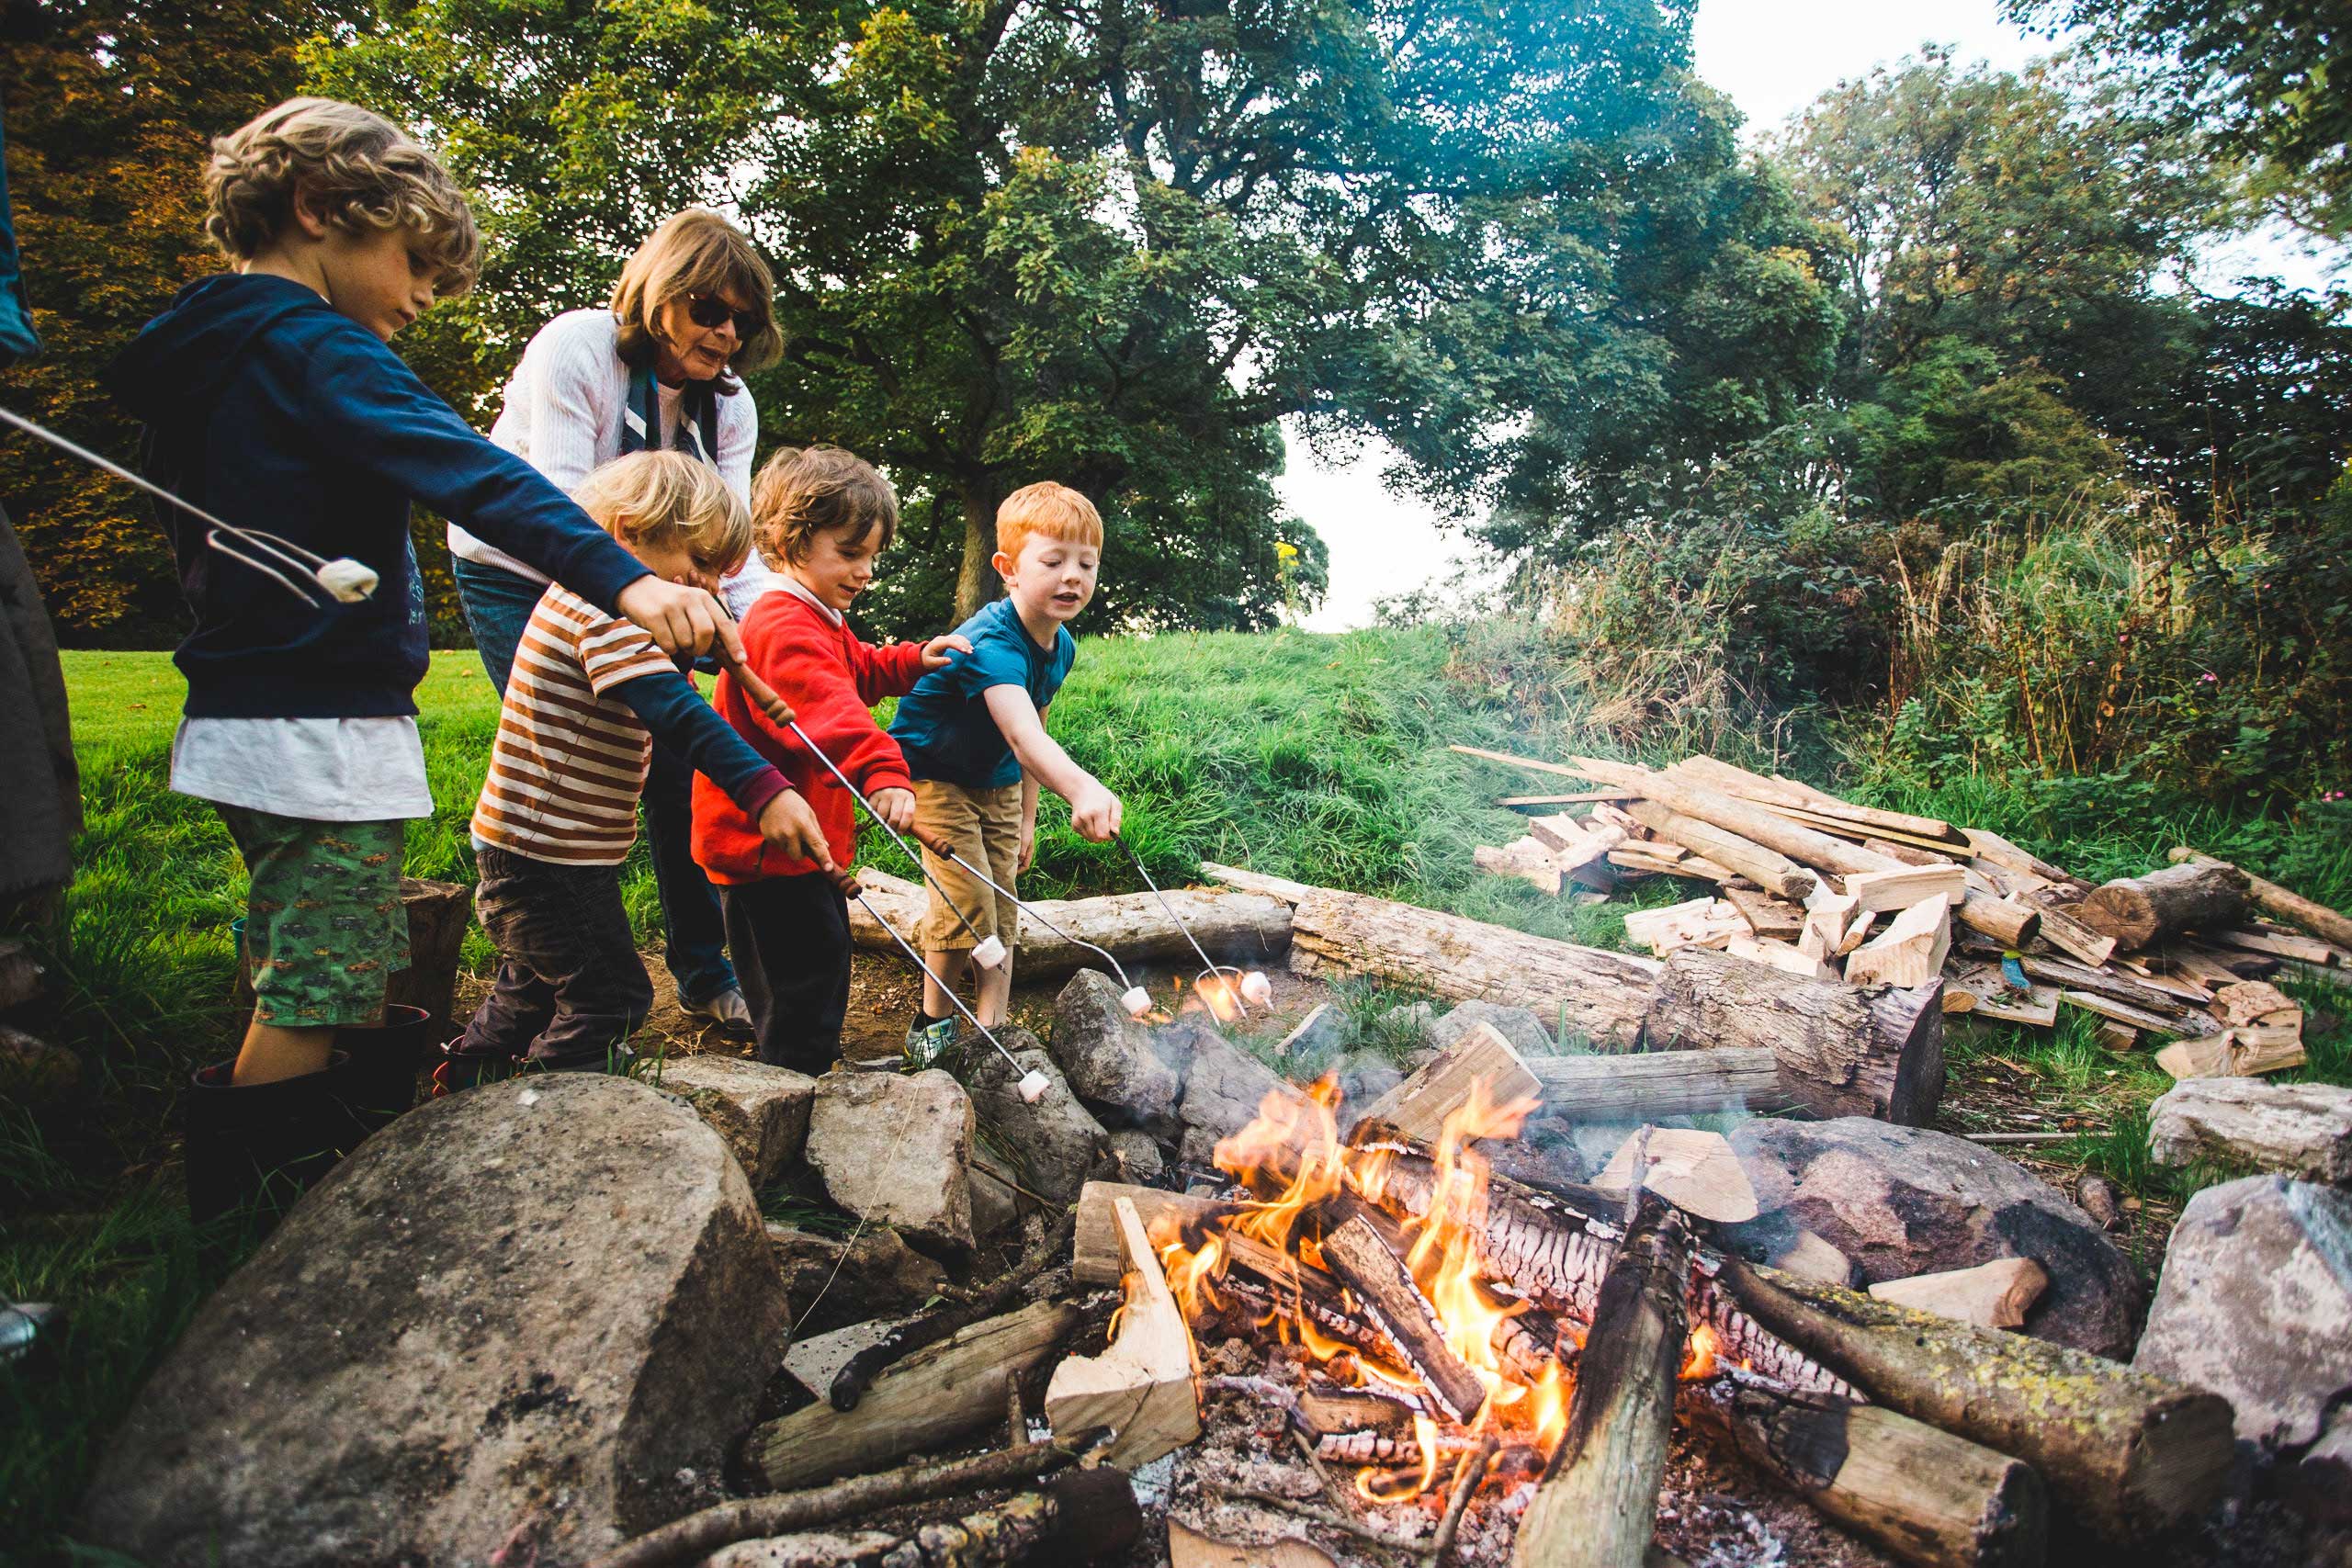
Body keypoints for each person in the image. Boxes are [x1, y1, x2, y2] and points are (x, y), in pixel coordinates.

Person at [104, 96, 737, 1224]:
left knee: (309, 952)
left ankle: (320, 1173)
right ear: (317, 209)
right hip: (317, 725)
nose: (422, 298)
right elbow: (474, 471)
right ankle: (269, 1228)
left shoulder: (213, 352)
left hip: (247, 707)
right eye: (413, 264)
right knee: (322, 978)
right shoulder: (312, 345)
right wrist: (632, 582)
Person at [448, 207, 781, 1038]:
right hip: (522, 568)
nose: (727, 332)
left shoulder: (730, 407)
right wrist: (651, 604)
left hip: (656, 580)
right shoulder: (577, 347)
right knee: (573, 759)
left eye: (743, 320)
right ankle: (549, 965)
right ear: (661, 292)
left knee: (677, 772)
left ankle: (701, 971)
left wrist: (770, 643)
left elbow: (731, 550)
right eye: (710, 309)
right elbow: (563, 511)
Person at [441, 452, 830, 1089]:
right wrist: (764, 790)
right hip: (547, 859)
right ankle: (559, 1099)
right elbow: (677, 714)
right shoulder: (604, 610)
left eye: (720, 573)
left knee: (535, 986)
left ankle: (465, 1081)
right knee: (611, 996)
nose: (709, 585)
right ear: (628, 533)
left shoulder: (587, 601)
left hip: (536, 848)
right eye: (700, 561)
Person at [692, 447, 969, 1072]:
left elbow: (854, 667)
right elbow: (829, 710)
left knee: (819, 961)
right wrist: (883, 770)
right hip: (767, 853)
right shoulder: (782, 625)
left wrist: (910, 660)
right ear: (790, 541)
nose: (865, 570)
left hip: (796, 844)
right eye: (849, 553)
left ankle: (813, 1065)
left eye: (871, 555)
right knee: (799, 980)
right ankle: (797, 1083)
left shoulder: (816, 616)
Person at [887, 482, 1123, 1057]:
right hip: (934, 775)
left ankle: (994, 1029)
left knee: (1002, 899)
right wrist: (1082, 788)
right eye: (1053, 561)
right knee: (966, 901)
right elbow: (1022, 736)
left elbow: (1036, 726)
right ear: (1008, 569)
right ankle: (933, 1023)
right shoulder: (991, 642)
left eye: (1086, 563)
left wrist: (1027, 818)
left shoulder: (1061, 645)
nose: (1072, 577)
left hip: (995, 779)